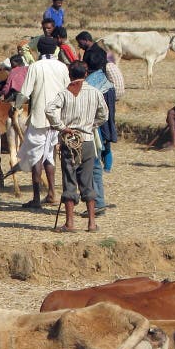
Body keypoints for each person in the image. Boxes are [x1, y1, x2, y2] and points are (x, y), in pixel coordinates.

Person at [46, 61, 108, 233]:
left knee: (69, 180)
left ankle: (70, 223)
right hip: (87, 141)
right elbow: (104, 114)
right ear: (86, 73)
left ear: (70, 75)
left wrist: (61, 127)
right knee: (87, 181)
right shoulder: (95, 92)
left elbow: (49, 109)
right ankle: (92, 224)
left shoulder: (65, 93)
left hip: (70, 142)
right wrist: (90, 126)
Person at [14, 36, 70, 208]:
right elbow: (68, 90)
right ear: (54, 50)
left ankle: (37, 198)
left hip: (39, 118)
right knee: (50, 156)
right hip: (57, 119)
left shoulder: (35, 67)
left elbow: (25, 92)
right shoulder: (62, 67)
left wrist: (16, 106)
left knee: (36, 157)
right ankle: (52, 193)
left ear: (38, 50)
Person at [83, 45, 116, 216]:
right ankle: (97, 201)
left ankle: (96, 202)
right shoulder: (108, 83)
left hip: (91, 130)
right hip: (103, 129)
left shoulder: (88, 86)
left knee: (91, 167)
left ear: (87, 65)